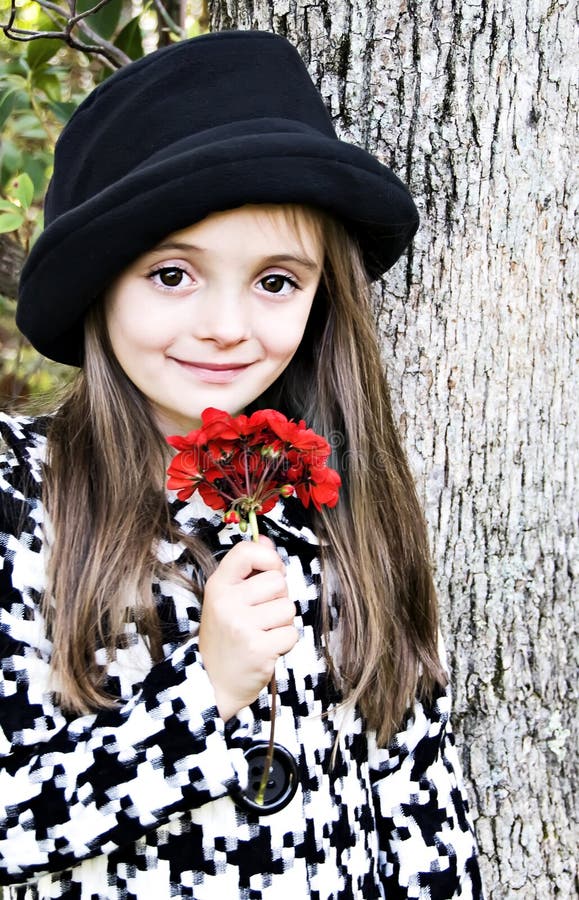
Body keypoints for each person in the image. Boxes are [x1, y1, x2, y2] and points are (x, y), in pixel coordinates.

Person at [0, 29, 483, 900]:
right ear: (102, 282)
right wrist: (204, 693)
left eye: (274, 282)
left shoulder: (337, 505)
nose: (227, 324)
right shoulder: (20, 495)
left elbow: (420, 801)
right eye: (174, 274)